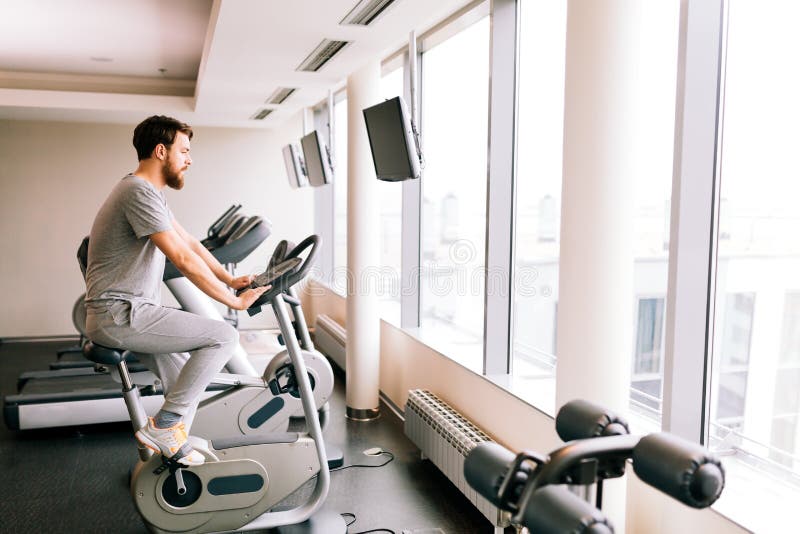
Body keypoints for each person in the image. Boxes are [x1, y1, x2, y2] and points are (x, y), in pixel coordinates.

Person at [84, 115, 268, 466]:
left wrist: (231, 281)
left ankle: (172, 449)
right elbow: (182, 258)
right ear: (160, 151)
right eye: (184, 150)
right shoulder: (137, 191)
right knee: (223, 337)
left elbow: (192, 244)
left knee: (183, 374)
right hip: (121, 314)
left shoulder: (147, 192)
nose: (189, 158)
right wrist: (233, 303)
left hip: (124, 313)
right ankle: (165, 426)